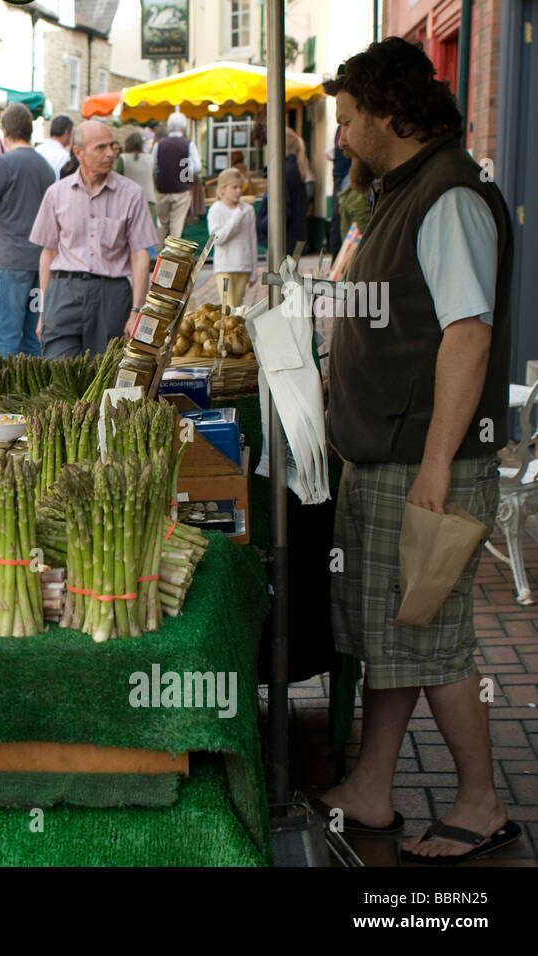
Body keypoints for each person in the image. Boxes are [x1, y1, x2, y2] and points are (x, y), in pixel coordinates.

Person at [320, 37, 519, 865]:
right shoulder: (404, 188)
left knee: (434, 642)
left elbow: (466, 337)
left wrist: (437, 466)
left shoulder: (451, 197)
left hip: (424, 460)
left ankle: (479, 803)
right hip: (392, 453)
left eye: (348, 119)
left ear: (389, 113)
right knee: (395, 635)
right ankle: (373, 787)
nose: (339, 137)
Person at [29, 119, 158, 359]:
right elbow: (48, 253)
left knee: (104, 377)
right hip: (63, 291)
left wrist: (137, 311)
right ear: (79, 152)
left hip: (111, 295)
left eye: (112, 146)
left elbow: (140, 254)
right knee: (58, 372)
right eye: (101, 147)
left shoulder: (132, 194)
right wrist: (43, 312)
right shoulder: (56, 194)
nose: (110, 153)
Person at [0, 103, 55, 357]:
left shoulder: (5, 163)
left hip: (9, 259)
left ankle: (2, 397)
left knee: (4, 339)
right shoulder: (46, 166)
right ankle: (31, 396)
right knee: (32, 338)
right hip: (39, 261)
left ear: (4, 132)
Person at [206, 168, 258, 309]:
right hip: (224, 266)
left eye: (241, 187)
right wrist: (235, 218)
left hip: (243, 265)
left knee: (237, 307)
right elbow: (217, 239)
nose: (239, 191)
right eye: (234, 187)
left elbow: (252, 240)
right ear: (222, 189)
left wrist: (254, 270)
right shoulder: (216, 209)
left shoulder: (248, 210)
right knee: (227, 309)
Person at [153, 111, 202, 242]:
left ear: (169, 127)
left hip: (162, 189)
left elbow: (154, 167)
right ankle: (172, 259)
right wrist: (185, 174)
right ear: (183, 127)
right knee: (176, 226)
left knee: (162, 224)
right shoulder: (188, 144)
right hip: (181, 190)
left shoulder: (159, 145)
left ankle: (159, 256)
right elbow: (197, 167)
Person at [254, 147, 308, 254]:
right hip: (294, 235)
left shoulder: (283, 171)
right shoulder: (295, 168)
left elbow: (281, 209)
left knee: (283, 269)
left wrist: (263, 225)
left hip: (285, 237)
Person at [116, 132, 157, 227]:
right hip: (148, 199)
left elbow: (117, 179)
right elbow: (154, 177)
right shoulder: (150, 158)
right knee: (148, 232)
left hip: (128, 201)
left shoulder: (123, 158)